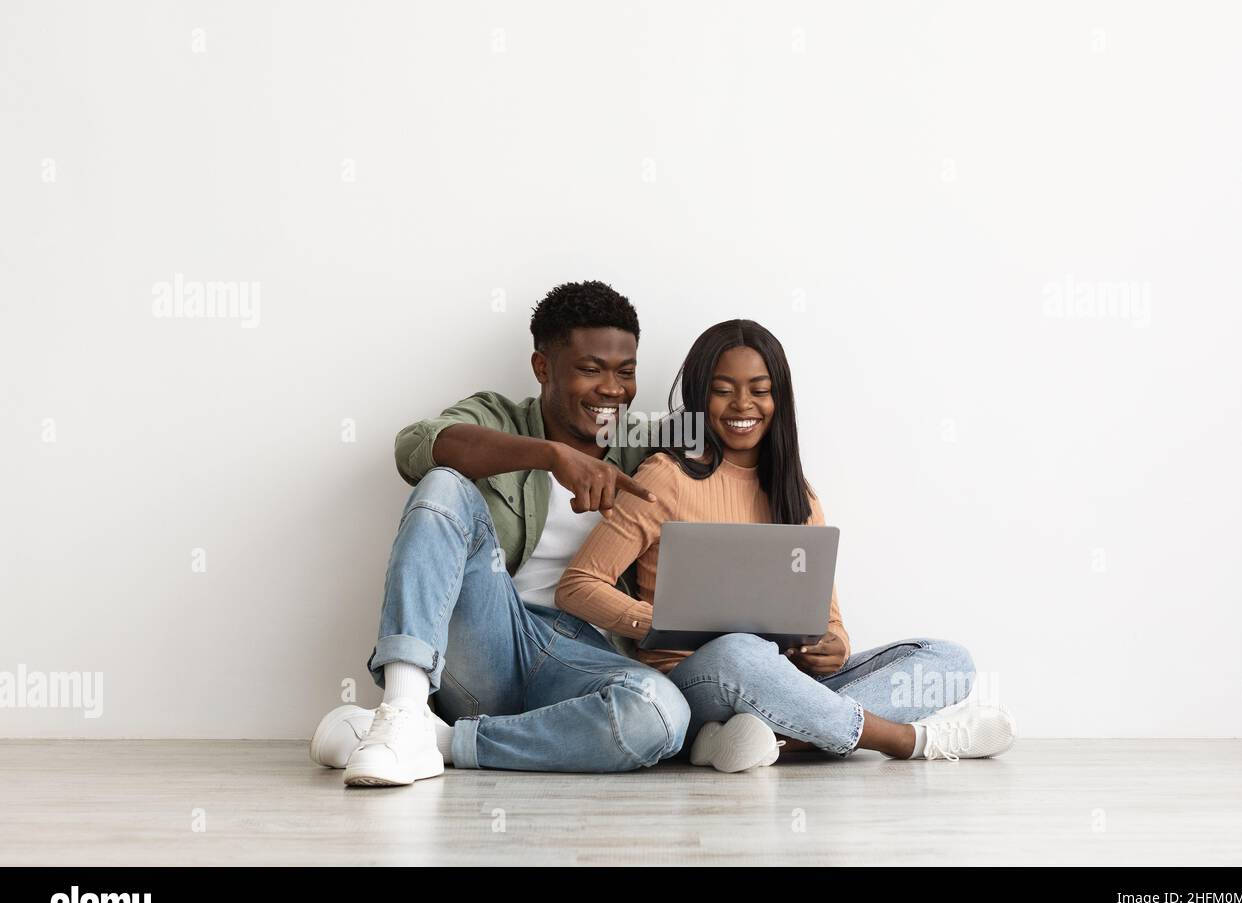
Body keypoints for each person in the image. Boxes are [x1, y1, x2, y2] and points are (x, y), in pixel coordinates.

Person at [556, 319, 1017, 772]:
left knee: (949, 663)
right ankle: (904, 740)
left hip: (790, 679)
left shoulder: (797, 493)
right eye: (723, 390)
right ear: (699, 396)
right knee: (741, 649)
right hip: (697, 680)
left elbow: (829, 622)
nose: (743, 404)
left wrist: (832, 646)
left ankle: (764, 740)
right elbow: (577, 586)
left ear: (779, 398)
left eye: (760, 389)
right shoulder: (667, 476)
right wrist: (659, 624)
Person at [308, 281, 690, 784]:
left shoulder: (646, 446)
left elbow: (729, 463)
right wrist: (549, 454)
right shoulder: (498, 416)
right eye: (590, 369)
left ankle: (434, 741)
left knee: (660, 715)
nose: (612, 389)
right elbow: (416, 446)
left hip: (584, 659)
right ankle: (402, 707)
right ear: (542, 368)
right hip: (492, 638)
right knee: (443, 484)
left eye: (626, 371)